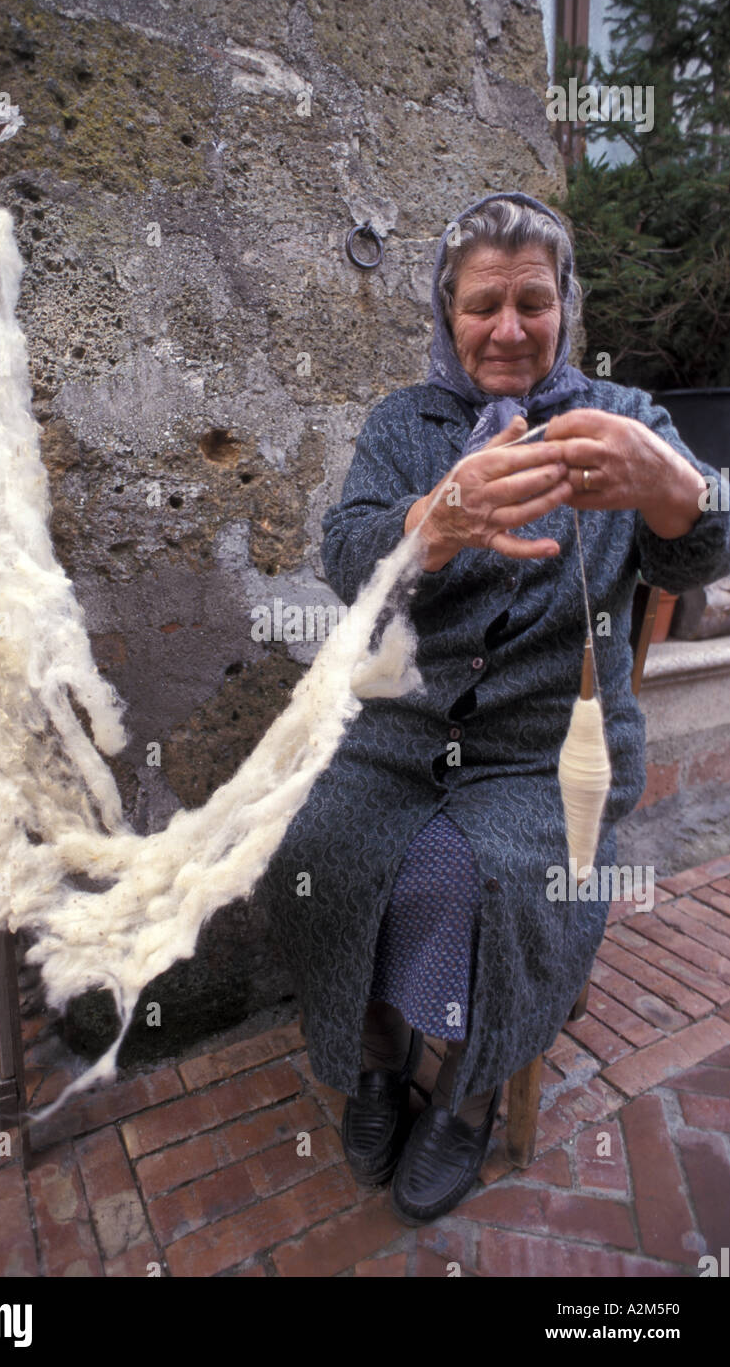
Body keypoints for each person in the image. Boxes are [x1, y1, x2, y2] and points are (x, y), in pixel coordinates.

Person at [255, 190, 730, 1227]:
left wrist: (680, 491)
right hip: (402, 737)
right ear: (446, 313)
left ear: (566, 307)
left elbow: (694, 558)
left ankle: (466, 1091)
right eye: (482, 306)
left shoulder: (618, 423)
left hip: (545, 750)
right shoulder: (405, 424)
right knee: (316, 841)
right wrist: (432, 522)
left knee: (486, 878)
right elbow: (347, 559)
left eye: (533, 300)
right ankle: (380, 1060)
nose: (507, 329)